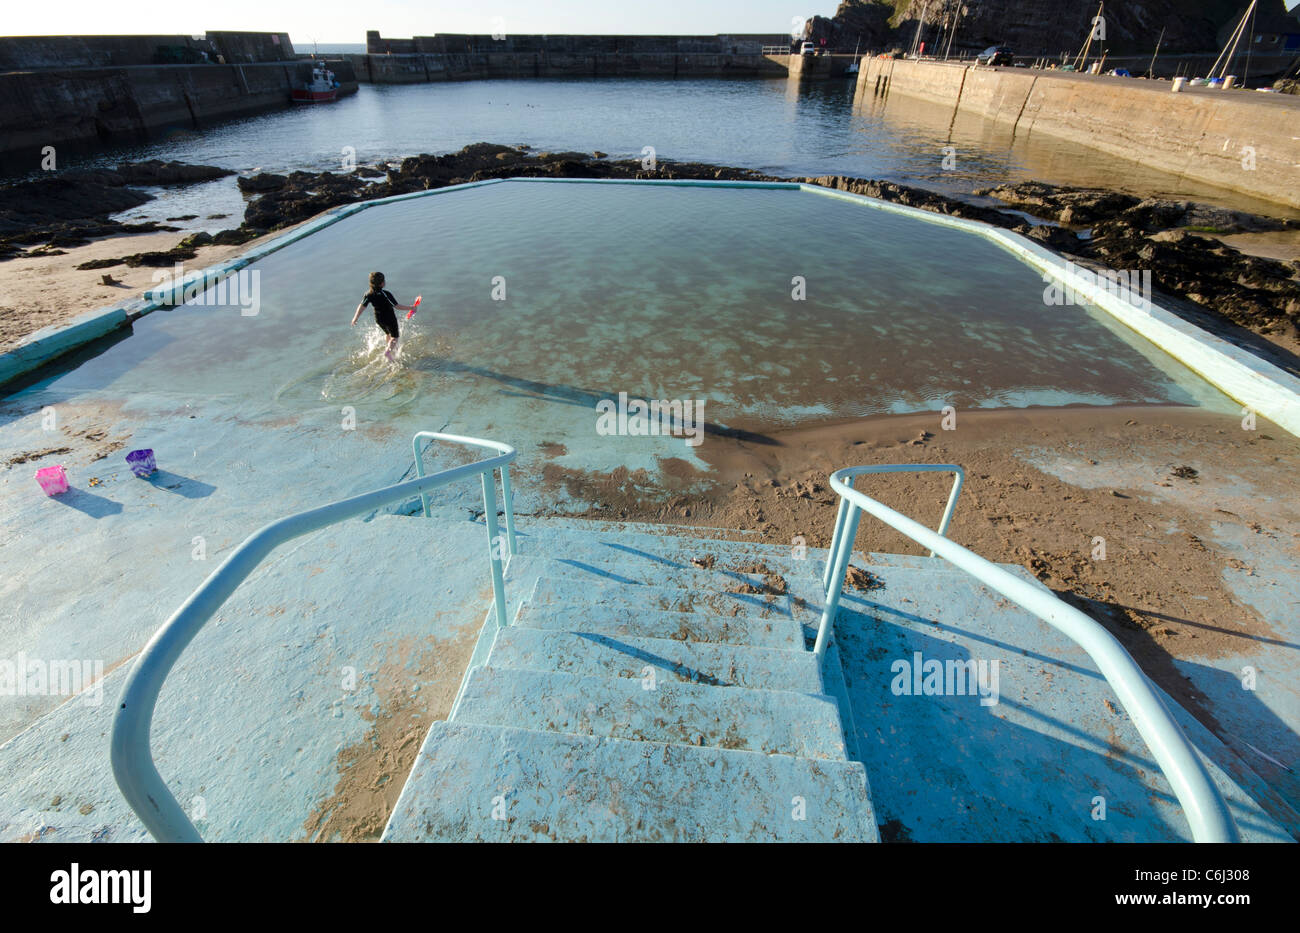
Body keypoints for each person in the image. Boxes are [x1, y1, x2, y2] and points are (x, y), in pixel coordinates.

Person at [351, 271, 414, 361]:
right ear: (382, 283)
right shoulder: (386, 294)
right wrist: (411, 307)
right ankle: (388, 352)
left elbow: (362, 306)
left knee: (387, 333)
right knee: (395, 336)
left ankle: (389, 347)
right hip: (389, 318)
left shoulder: (368, 294)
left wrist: (355, 318)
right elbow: (397, 306)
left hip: (379, 319)